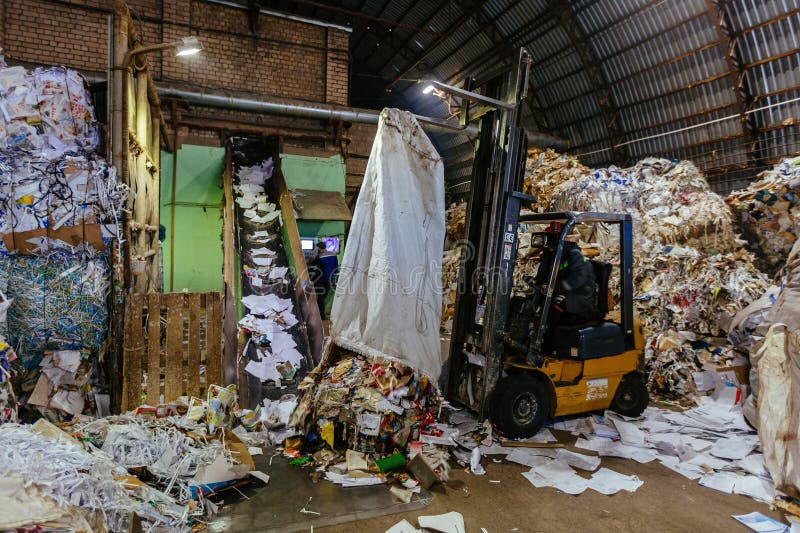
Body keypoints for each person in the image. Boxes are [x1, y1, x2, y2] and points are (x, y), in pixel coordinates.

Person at [534, 222, 596, 331]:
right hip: (558, 290)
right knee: (533, 299)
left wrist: (553, 287)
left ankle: (545, 338)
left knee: (555, 306)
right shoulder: (549, 255)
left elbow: (576, 280)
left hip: (578, 294)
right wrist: (539, 284)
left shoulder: (574, 254)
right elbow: (542, 275)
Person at [310, 240, 339, 320]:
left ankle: (321, 315)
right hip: (329, 279)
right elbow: (336, 268)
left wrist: (313, 255)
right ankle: (321, 313)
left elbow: (311, 264)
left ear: (319, 248)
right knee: (323, 295)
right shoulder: (333, 254)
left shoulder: (319, 257)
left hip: (320, 279)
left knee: (320, 297)